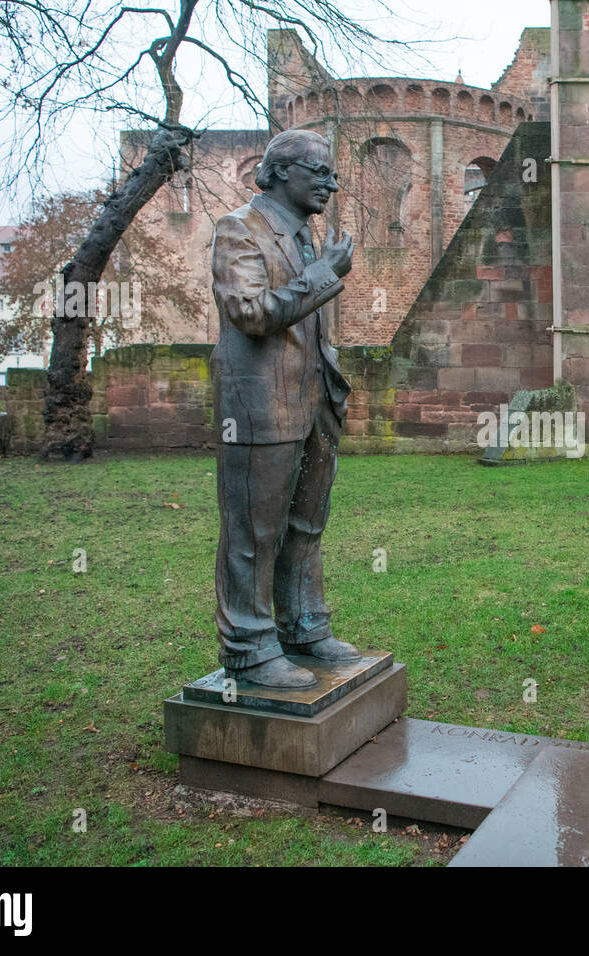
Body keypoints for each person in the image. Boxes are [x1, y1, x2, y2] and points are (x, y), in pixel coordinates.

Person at [209, 129, 358, 688]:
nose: (332, 183)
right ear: (278, 172)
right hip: (259, 407)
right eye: (319, 172)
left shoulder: (305, 237)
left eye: (333, 172)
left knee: (306, 523)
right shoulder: (238, 229)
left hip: (315, 400)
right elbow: (250, 313)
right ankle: (249, 648)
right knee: (253, 533)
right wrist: (325, 275)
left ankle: (304, 627)